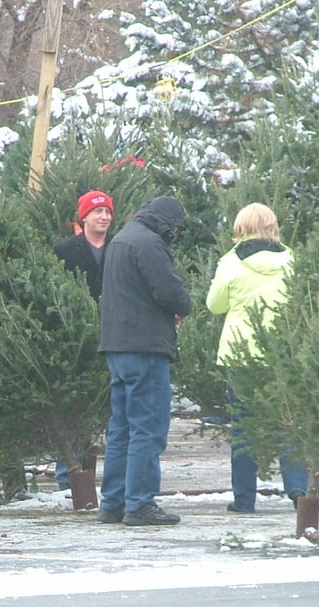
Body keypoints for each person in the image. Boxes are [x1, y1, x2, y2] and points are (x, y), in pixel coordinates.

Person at [205, 202, 308, 513]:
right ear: (272, 226)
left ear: (240, 228)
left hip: (241, 354)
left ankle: (244, 500)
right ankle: (298, 489)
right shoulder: (292, 260)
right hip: (282, 352)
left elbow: (215, 305)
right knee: (290, 422)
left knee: (244, 428)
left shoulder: (231, 262)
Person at [97, 196, 192, 526]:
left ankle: (113, 502)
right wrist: (184, 307)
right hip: (145, 346)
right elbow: (168, 291)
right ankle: (139, 504)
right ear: (165, 224)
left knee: (121, 428)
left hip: (116, 346)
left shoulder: (122, 238)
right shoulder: (149, 243)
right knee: (147, 429)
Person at [51, 190, 114, 490]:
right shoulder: (64, 250)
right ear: (84, 216)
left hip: (114, 333)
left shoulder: (120, 248)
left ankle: (110, 471)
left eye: (108, 213)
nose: (103, 218)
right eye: (97, 212)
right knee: (74, 405)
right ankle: (68, 472)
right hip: (75, 338)